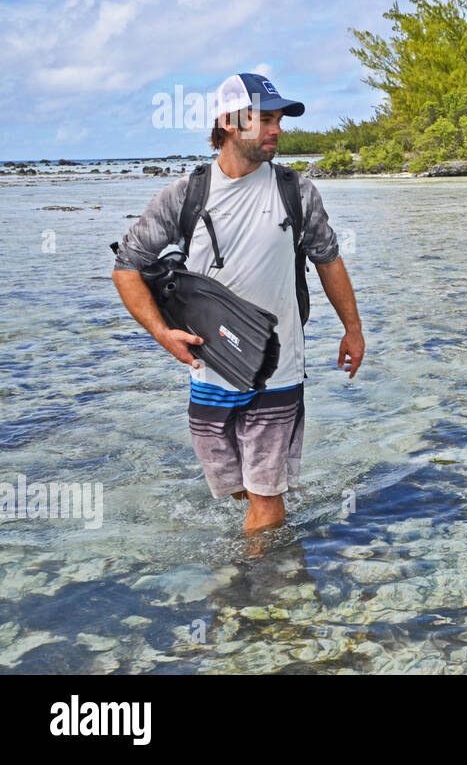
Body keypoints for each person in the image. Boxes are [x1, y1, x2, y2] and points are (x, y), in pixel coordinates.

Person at [112, 73, 365, 534]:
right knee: (237, 489)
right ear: (229, 123)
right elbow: (127, 266)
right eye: (265, 119)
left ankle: (254, 595)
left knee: (265, 506)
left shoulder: (297, 191)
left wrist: (353, 329)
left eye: (278, 119)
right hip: (210, 372)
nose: (277, 130)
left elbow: (328, 260)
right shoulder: (186, 196)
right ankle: (278, 510)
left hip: (278, 368)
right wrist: (162, 333)